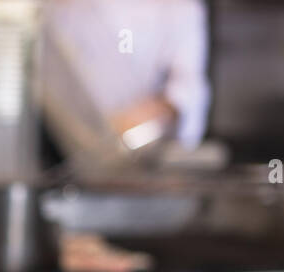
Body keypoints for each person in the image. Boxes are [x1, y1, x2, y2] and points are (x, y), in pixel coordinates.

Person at [38, 0, 211, 162]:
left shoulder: (181, 8)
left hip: (142, 154)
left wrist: (160, 108)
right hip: (64, 148)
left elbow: (188, 87)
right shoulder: (59, 7)